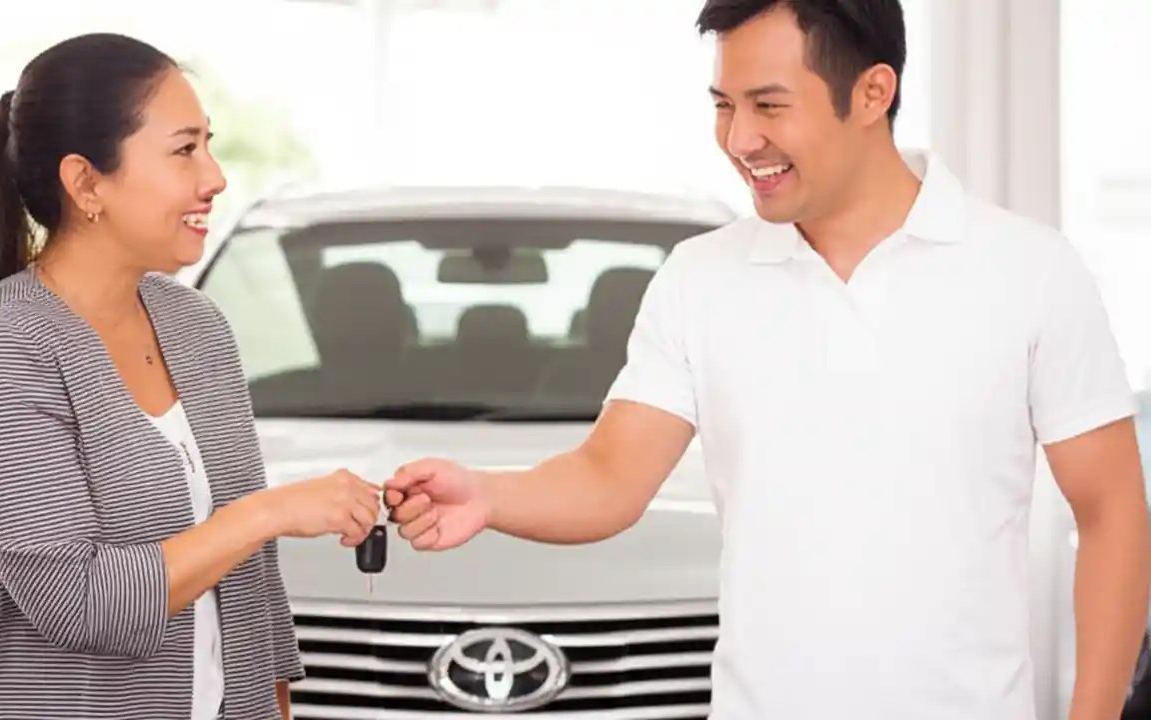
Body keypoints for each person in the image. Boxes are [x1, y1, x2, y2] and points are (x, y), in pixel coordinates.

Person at [385, 1, 1151, 718]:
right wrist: (488, 495)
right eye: (723, 104)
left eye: (769, 105)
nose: (739, 139)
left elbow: (1113, 510)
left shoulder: (1029, 270)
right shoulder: (699, 277)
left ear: (873, 92)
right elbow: (610, 477)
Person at [0, 33, 391, 720]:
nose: (214, 177)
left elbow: (249, 587)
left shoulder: (196, 326)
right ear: (86, 183)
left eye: (209, 145)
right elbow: (78, 603)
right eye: (185, 149)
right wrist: (269, 513)